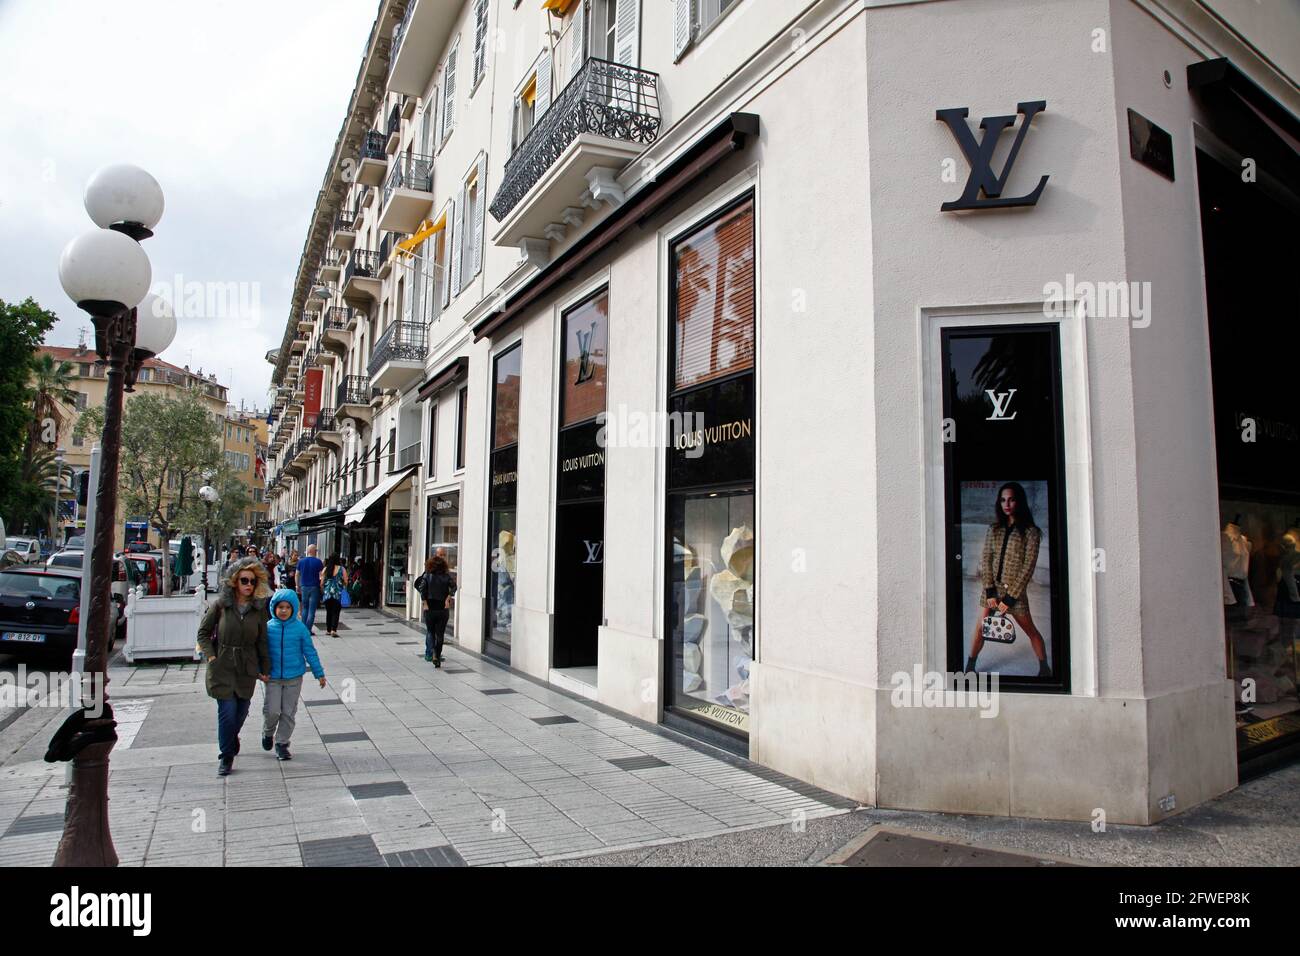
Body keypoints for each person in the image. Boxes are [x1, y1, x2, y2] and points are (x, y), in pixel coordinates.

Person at [196, 557, 271, 776]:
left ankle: (231, 737)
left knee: (241, 711)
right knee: (227, 713)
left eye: (253, 581)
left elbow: (262, 641)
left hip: (246, 668)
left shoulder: (258, 610)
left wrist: (265, 668)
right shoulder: (221, 605)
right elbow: (203, 633)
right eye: (245, 580)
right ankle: (226, 757)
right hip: (223, 665)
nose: (249, 585)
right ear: (234, 582)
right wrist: (211, 656)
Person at [967, 482, 1049, 677]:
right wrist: (989, 591)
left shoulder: (1031, 532)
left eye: (1011, 499)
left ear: (1019, 501)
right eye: (1003, 499)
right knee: (981, 628)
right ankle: (970, 667)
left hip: (1015, 594)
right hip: (992, 592)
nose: (1007, 504)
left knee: (1031, 631)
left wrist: (1010, 598)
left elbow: (1027, 568)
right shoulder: (994, 529)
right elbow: (986, 559)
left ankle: (1045, 669)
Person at [262, 588, 325, 760]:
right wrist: (260, 671)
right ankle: (268, 732)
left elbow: (309, 651)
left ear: (294, 609)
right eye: (280, 607)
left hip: (294, 677)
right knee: (272, 710)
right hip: (273, 677)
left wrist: (319, 673)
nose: (283, 610)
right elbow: (260, 651)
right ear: (273, 608)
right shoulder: (267, 628)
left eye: (287, 607)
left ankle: (282, 743)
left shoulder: (300, 629)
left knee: (288, 712)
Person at [414, 556, 457, 666]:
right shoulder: (446, 577)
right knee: (440, 634)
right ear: (443, 566)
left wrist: (425, 603)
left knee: (430, 631)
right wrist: (448, 598)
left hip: (430, 608)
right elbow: (454, 587)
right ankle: (437, 655)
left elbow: (422, 589)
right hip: (443, 609)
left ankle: (430, 653)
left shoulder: (427, 576)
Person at [295, 544, 325, 633]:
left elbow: (297, 574)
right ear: (314, 551)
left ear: (308, 551)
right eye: (316, 551)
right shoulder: (318, 562)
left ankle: (303, 629)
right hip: (314, 587)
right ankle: (308, 629)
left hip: (304, 587)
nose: (316, 552)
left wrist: (297, 585)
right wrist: (321, 585)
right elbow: (322, 575)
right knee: (312, 610)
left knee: (305, 608)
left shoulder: (301, 561)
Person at [320, 555, 349, 638]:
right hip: (337, 593)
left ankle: (328, 630)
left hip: (327, 593)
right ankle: (334, 630)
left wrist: (323, 591)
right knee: (336, 612)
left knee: (328, 612)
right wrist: (342, 585)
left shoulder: (326, 569)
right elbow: (346, 581)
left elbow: (321, 583)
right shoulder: (342, 569)